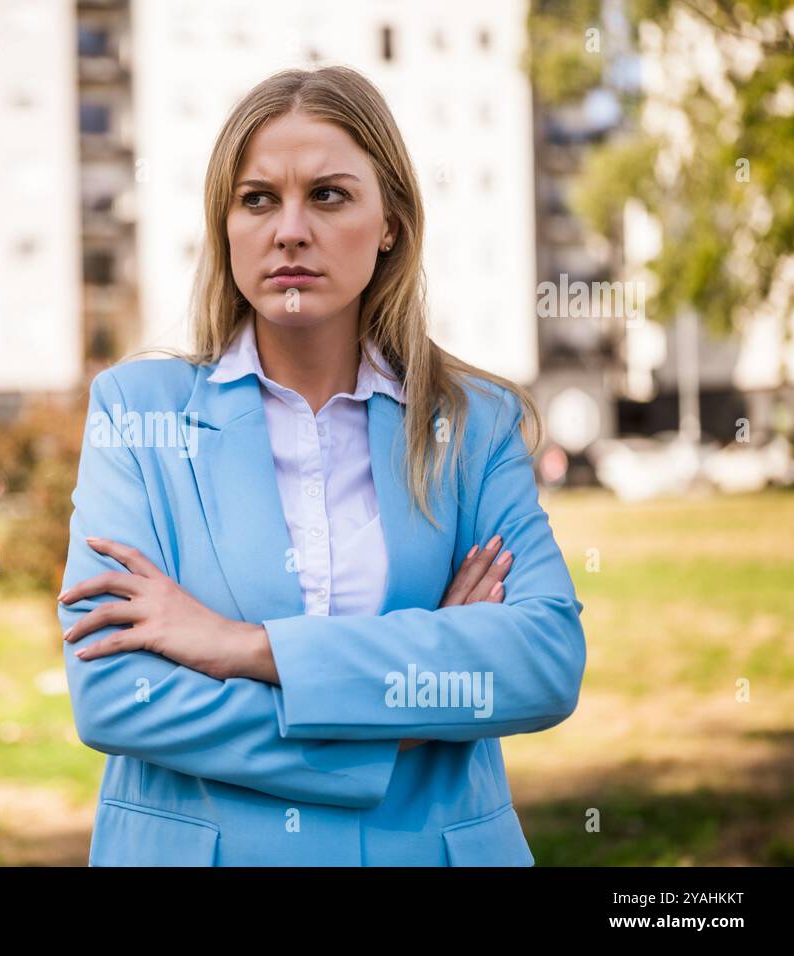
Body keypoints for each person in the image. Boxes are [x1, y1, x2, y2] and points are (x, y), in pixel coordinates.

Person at [55, 65, 586, 866]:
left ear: (390, 224)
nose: (289, 229)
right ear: (225, 225)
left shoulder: (474, 424)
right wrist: (405, 717)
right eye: (258, 199)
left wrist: (245, 647)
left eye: (329, 195)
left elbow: (542, 662)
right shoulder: (138, 413)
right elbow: (116, 698)